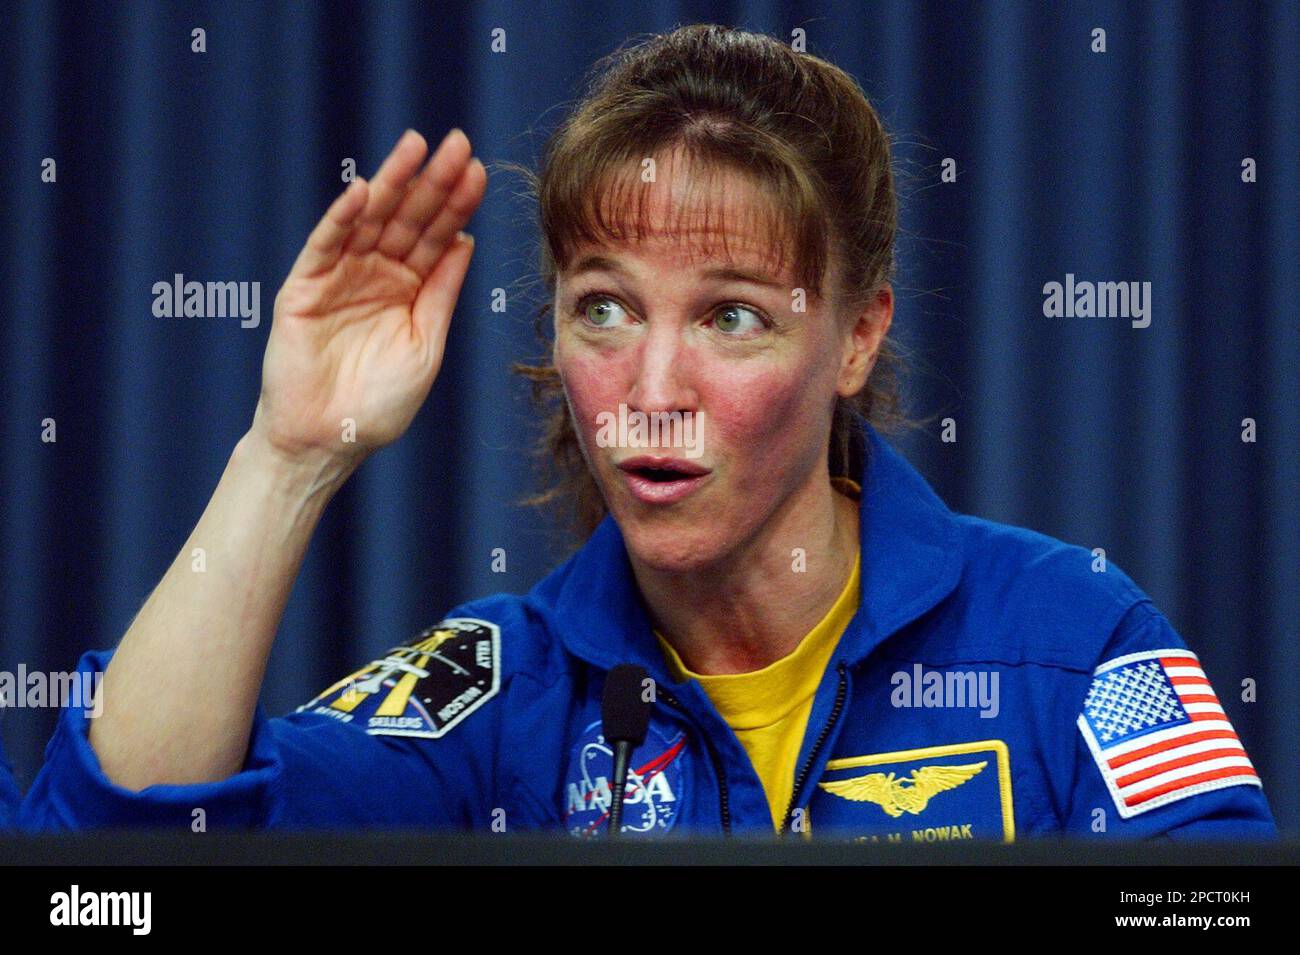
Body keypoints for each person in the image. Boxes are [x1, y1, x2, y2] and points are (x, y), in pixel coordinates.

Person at [17, 24, 1275, 840]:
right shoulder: (500, 693)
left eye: (731, 315)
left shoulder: (1074, 640)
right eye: (603, 307)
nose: (650, 387)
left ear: (854, 338)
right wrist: (290, 456)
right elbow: (110, 859)